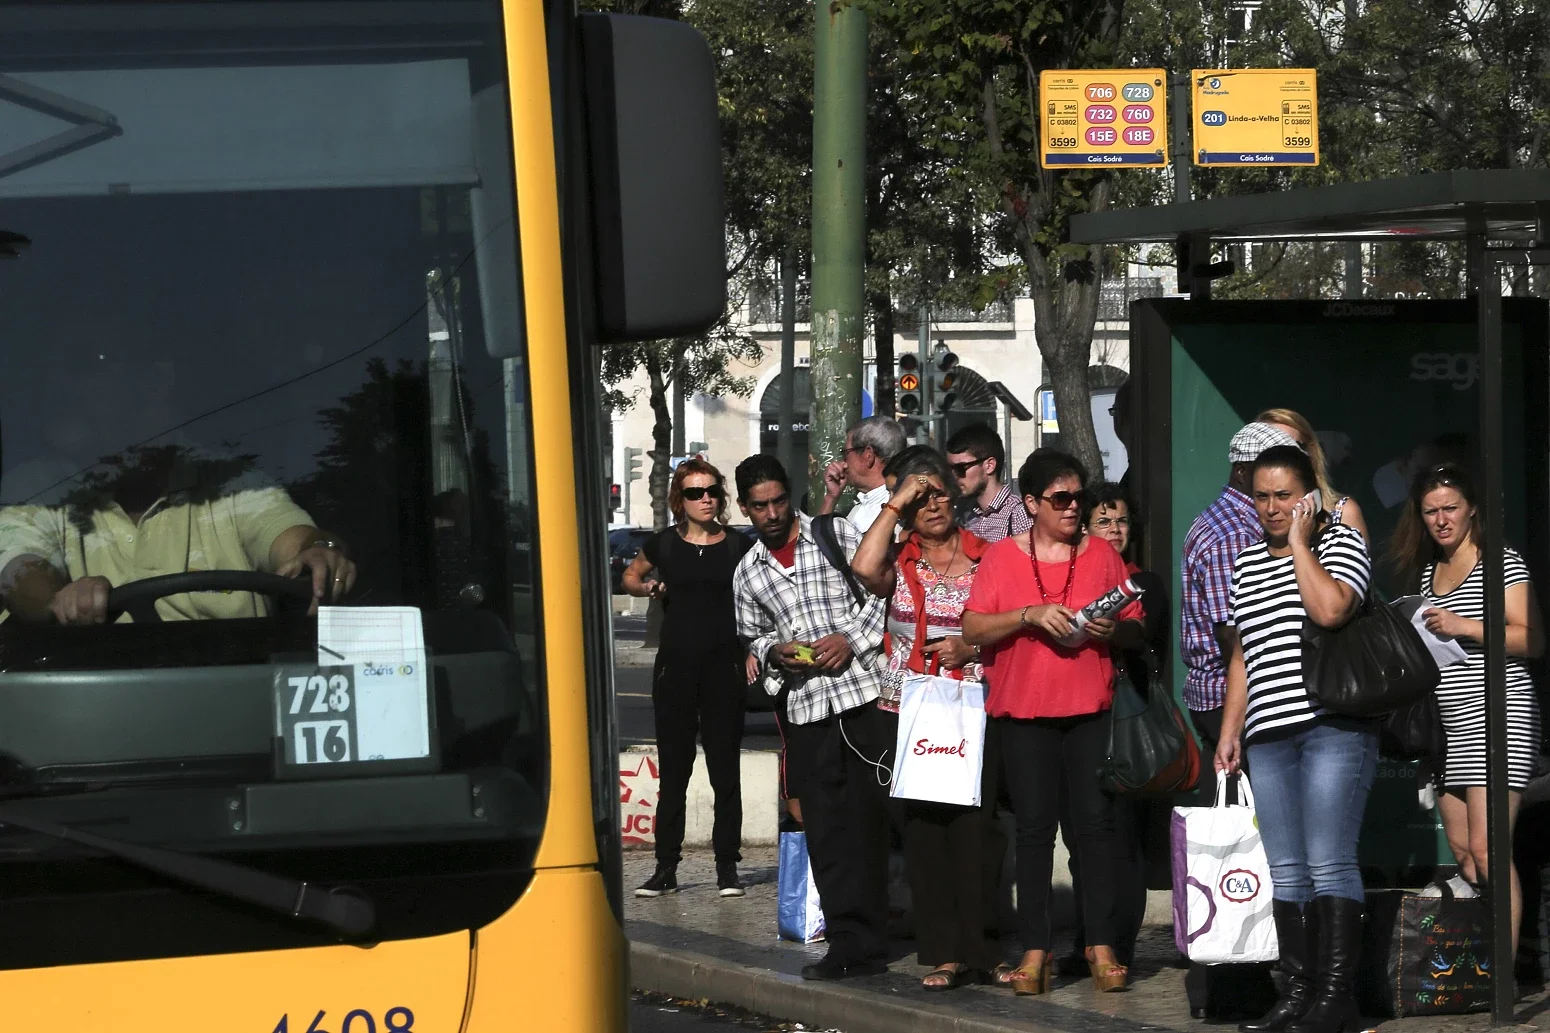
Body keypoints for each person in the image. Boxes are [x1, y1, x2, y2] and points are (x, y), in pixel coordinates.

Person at [961, 449, 1143, 996]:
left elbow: (1136, 627)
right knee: (1036, 833)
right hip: (1023, 713)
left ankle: (1099, 943)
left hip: (1090, 708)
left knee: (1094, 830)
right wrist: (1028, 615)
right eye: (1060, 499)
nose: (1073, 509)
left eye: (1078, 498)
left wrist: (1113, 631)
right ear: (1033, 503)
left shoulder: (1101, 557)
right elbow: (972, 627)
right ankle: (1035, 947)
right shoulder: (1001, 559)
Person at [1216, 445, 1375, 1033]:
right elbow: (1243, 656)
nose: (1272, 508)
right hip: (1269, 733)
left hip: (1333, 724)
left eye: (1285, 495)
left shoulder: (1340, 543)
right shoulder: (1246, 562)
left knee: (1330, 861)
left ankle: (1337, 996)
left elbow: (1331, 609)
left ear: (1309, 495)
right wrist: (1232, 729)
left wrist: (1303, 546)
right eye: (1261, 496)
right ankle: (1299, 991)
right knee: (1287, 869)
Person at [732, 454, 893, 981]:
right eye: (760, 506)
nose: (773, 513)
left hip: (862, 697)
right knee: (824, 830)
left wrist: (849, 640)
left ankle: (879, 933)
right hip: (804, 709)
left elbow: (882, 596)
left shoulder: (834, 533)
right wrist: (775, 651)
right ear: (745, 509)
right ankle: (847, 941)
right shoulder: (747, 572)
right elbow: (752, 634)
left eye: (779, 501)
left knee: (871, 822)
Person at [851, 445, 998, 991]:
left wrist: (969, 645)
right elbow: (863, 569)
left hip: (971, 709)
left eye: (938, 491)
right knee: (925, 835)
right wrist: (897, 503)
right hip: (908, 712)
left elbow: (1008, 621)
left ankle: (981, 949)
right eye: (920, 497)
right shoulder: (899, 556)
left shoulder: (990, 554)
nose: (931, 504)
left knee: (977, 833)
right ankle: (943, 953)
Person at [1389, 463, 1544, 947]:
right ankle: (1486, 964)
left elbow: (1532, 638)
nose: (1441, 519)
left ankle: (1504, 982)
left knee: (1489, 848)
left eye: (1450, 508)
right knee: (1465, 853)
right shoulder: (1428, 571)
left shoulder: (1500, 560)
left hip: (1500, 713)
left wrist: (1466, 626)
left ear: (1472, 508)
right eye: (1430, 510)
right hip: (1448, 722)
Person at [1178, 421, 1298, 1019]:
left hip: (1235, 698)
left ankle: (1242, 982)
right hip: (1234, 700)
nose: (1277, 497)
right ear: (1247, 473)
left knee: (1244, 846)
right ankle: (1236, 986)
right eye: (1268, 480)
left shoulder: (1229, 521)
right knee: (1242, 851)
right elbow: (1240, 637)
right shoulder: (1233, 532)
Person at [0, 444, 355, 623]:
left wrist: (318, 551)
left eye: (142, 378)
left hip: (237, 689)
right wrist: (56, 599)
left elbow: (289, 536)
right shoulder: (40, 485)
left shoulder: (230, 480)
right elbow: (19, 569)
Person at [623, 459, 754, 899]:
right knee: (674, 773)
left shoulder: (738, 544)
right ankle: (666, 868)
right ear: (680, 499)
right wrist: (646, 588)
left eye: (712, 491)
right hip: (675, 668)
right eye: (696, 493)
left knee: (725, 771)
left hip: (724, 668)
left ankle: (727, 867)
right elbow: (631, 575)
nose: (706, 500)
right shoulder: (663, 544)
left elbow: (758, 599)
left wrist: (755, 648)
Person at [1057, 481, 1160, 975]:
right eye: (1104, 521)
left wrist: (1115, 630)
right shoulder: (1072, 575)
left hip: (1126, 726)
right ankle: (1088, 939)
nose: (1114, 529)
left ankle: (1118, 943)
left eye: (1121, 520)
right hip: (1076, 720)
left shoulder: (1145, 583)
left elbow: (1145, 635)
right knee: (1080, 839)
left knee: (1120, 840)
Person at [1255, 408, 1370, 544]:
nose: (1281, 458)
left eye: (1292, 448)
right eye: (1269, 449)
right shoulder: (1244, 521)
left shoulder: (1342, 513)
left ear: (1311, 452)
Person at [945, 422, 1032, 543]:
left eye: (960, 468)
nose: (954, 476)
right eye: (950, 469)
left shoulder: (1019, 515)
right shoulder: (961, 514)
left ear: (989, 466)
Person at [820, 416, 907, 533]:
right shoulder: (864, 504)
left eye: (846, 453)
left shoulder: (897, 505)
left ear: (868, 456)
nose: (843, 461)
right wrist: (831, 498)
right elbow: (818, 545)